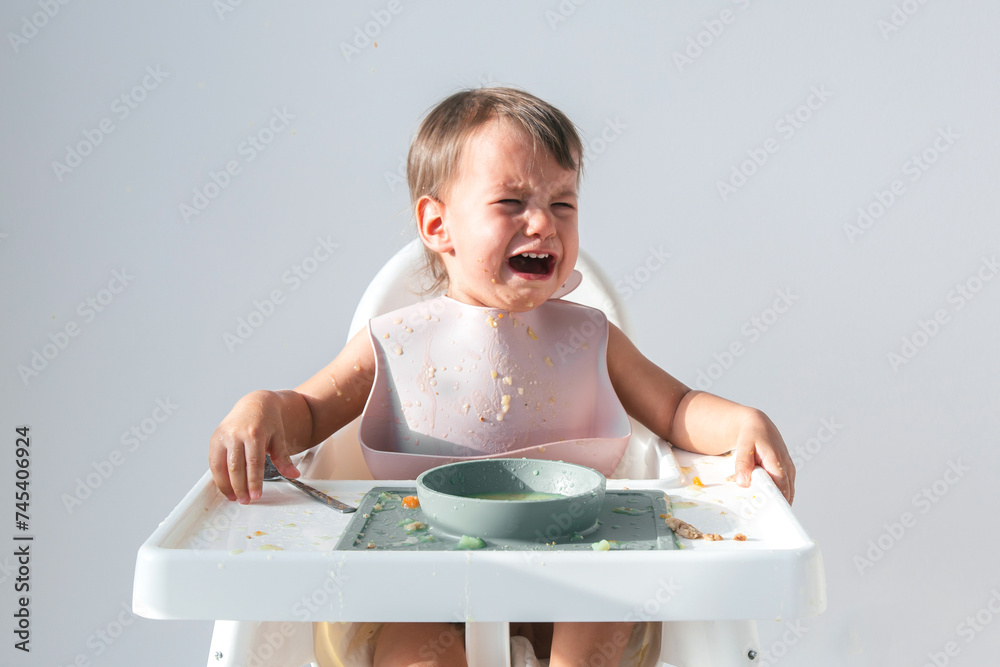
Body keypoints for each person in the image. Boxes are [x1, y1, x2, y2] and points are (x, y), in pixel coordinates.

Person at [209, 87, 795, 667]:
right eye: (511, 203)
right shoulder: (394, 342)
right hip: (421, 586)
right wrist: (261, 408)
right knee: (414, 653)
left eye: (562, 204)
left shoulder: (590, 338)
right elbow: (309, 413)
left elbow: (674, 409)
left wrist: (741, 423)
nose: (543, 223)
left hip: (580, 573)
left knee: (607, 613)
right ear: (437, 225)